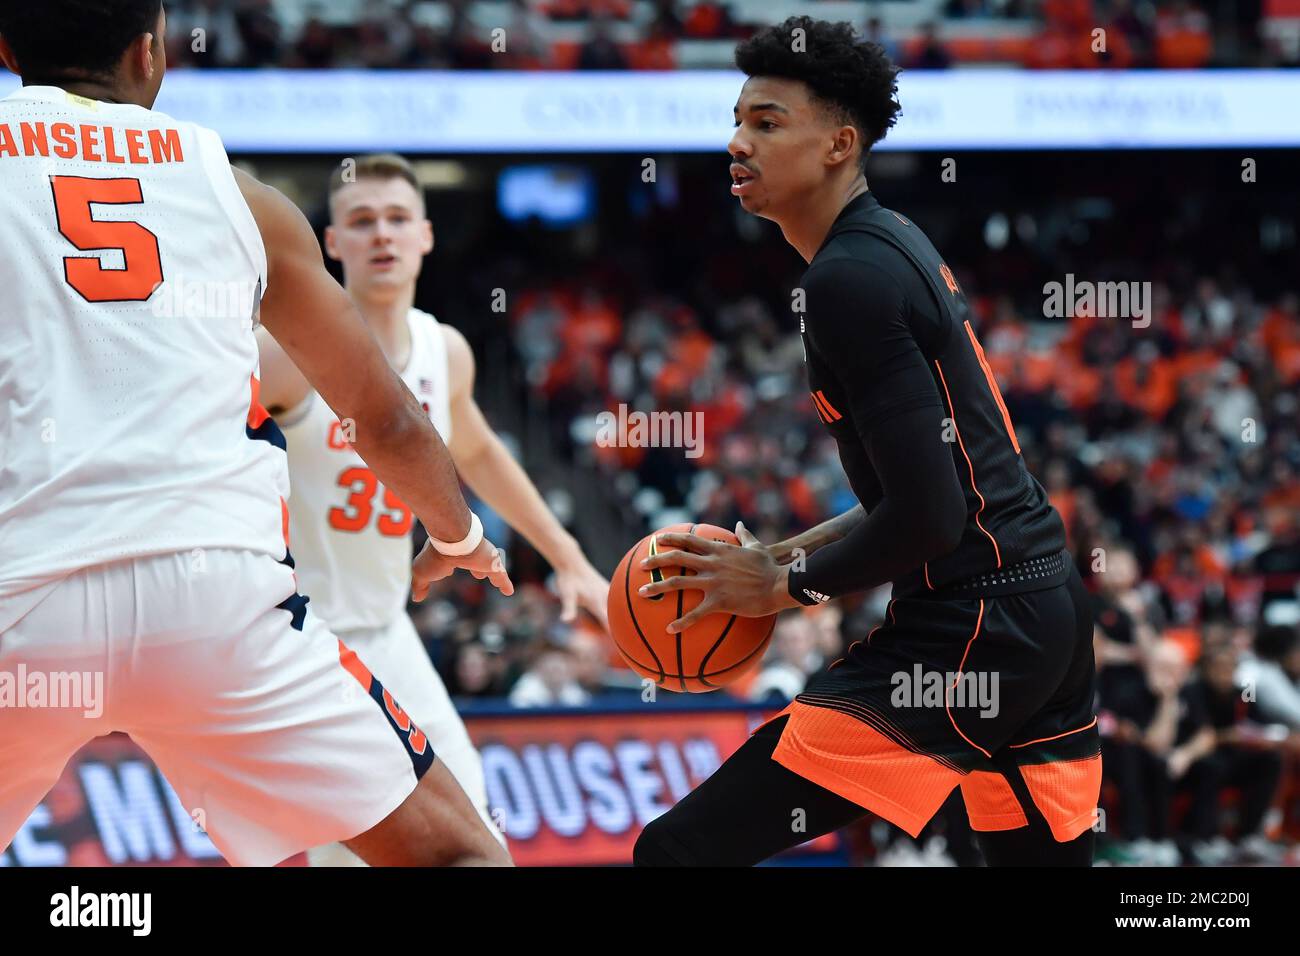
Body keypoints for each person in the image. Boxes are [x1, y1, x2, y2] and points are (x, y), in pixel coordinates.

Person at [0, 0, 511, 867]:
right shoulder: (235, 191)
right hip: (215, 602)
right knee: (461, 853)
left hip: (23, 597)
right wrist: (457, 533)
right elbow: (383, 415)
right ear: (151, 50)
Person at [634, 17, 1099, 867]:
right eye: (737, 120)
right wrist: (782, 555)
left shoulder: (848, 279)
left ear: (838, 144)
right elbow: (917, 495)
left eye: (767, 122)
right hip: (1040, 606)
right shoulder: (889, 242)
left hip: (977, 622)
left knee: (677, 854)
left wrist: (784, 590)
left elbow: (930, 518)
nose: (737, 141)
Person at [255, 153, 610, 864]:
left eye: (396, 219)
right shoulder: (285, 352)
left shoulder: (442, 349)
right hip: (301, 642)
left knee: (479, 842)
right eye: (362, 220)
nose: (381, 234)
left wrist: (570, 559)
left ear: (425, 235)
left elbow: (478, 453)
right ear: (332, 243)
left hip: (389, 633)